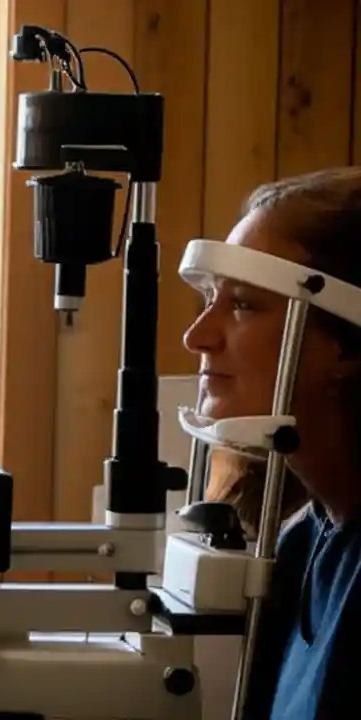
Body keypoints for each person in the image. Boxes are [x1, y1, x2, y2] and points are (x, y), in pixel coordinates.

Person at [181, 166, 361, 719]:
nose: (197, 336)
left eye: (243, 305)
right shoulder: (303, 545)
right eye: (212, 298)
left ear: (347, 347)